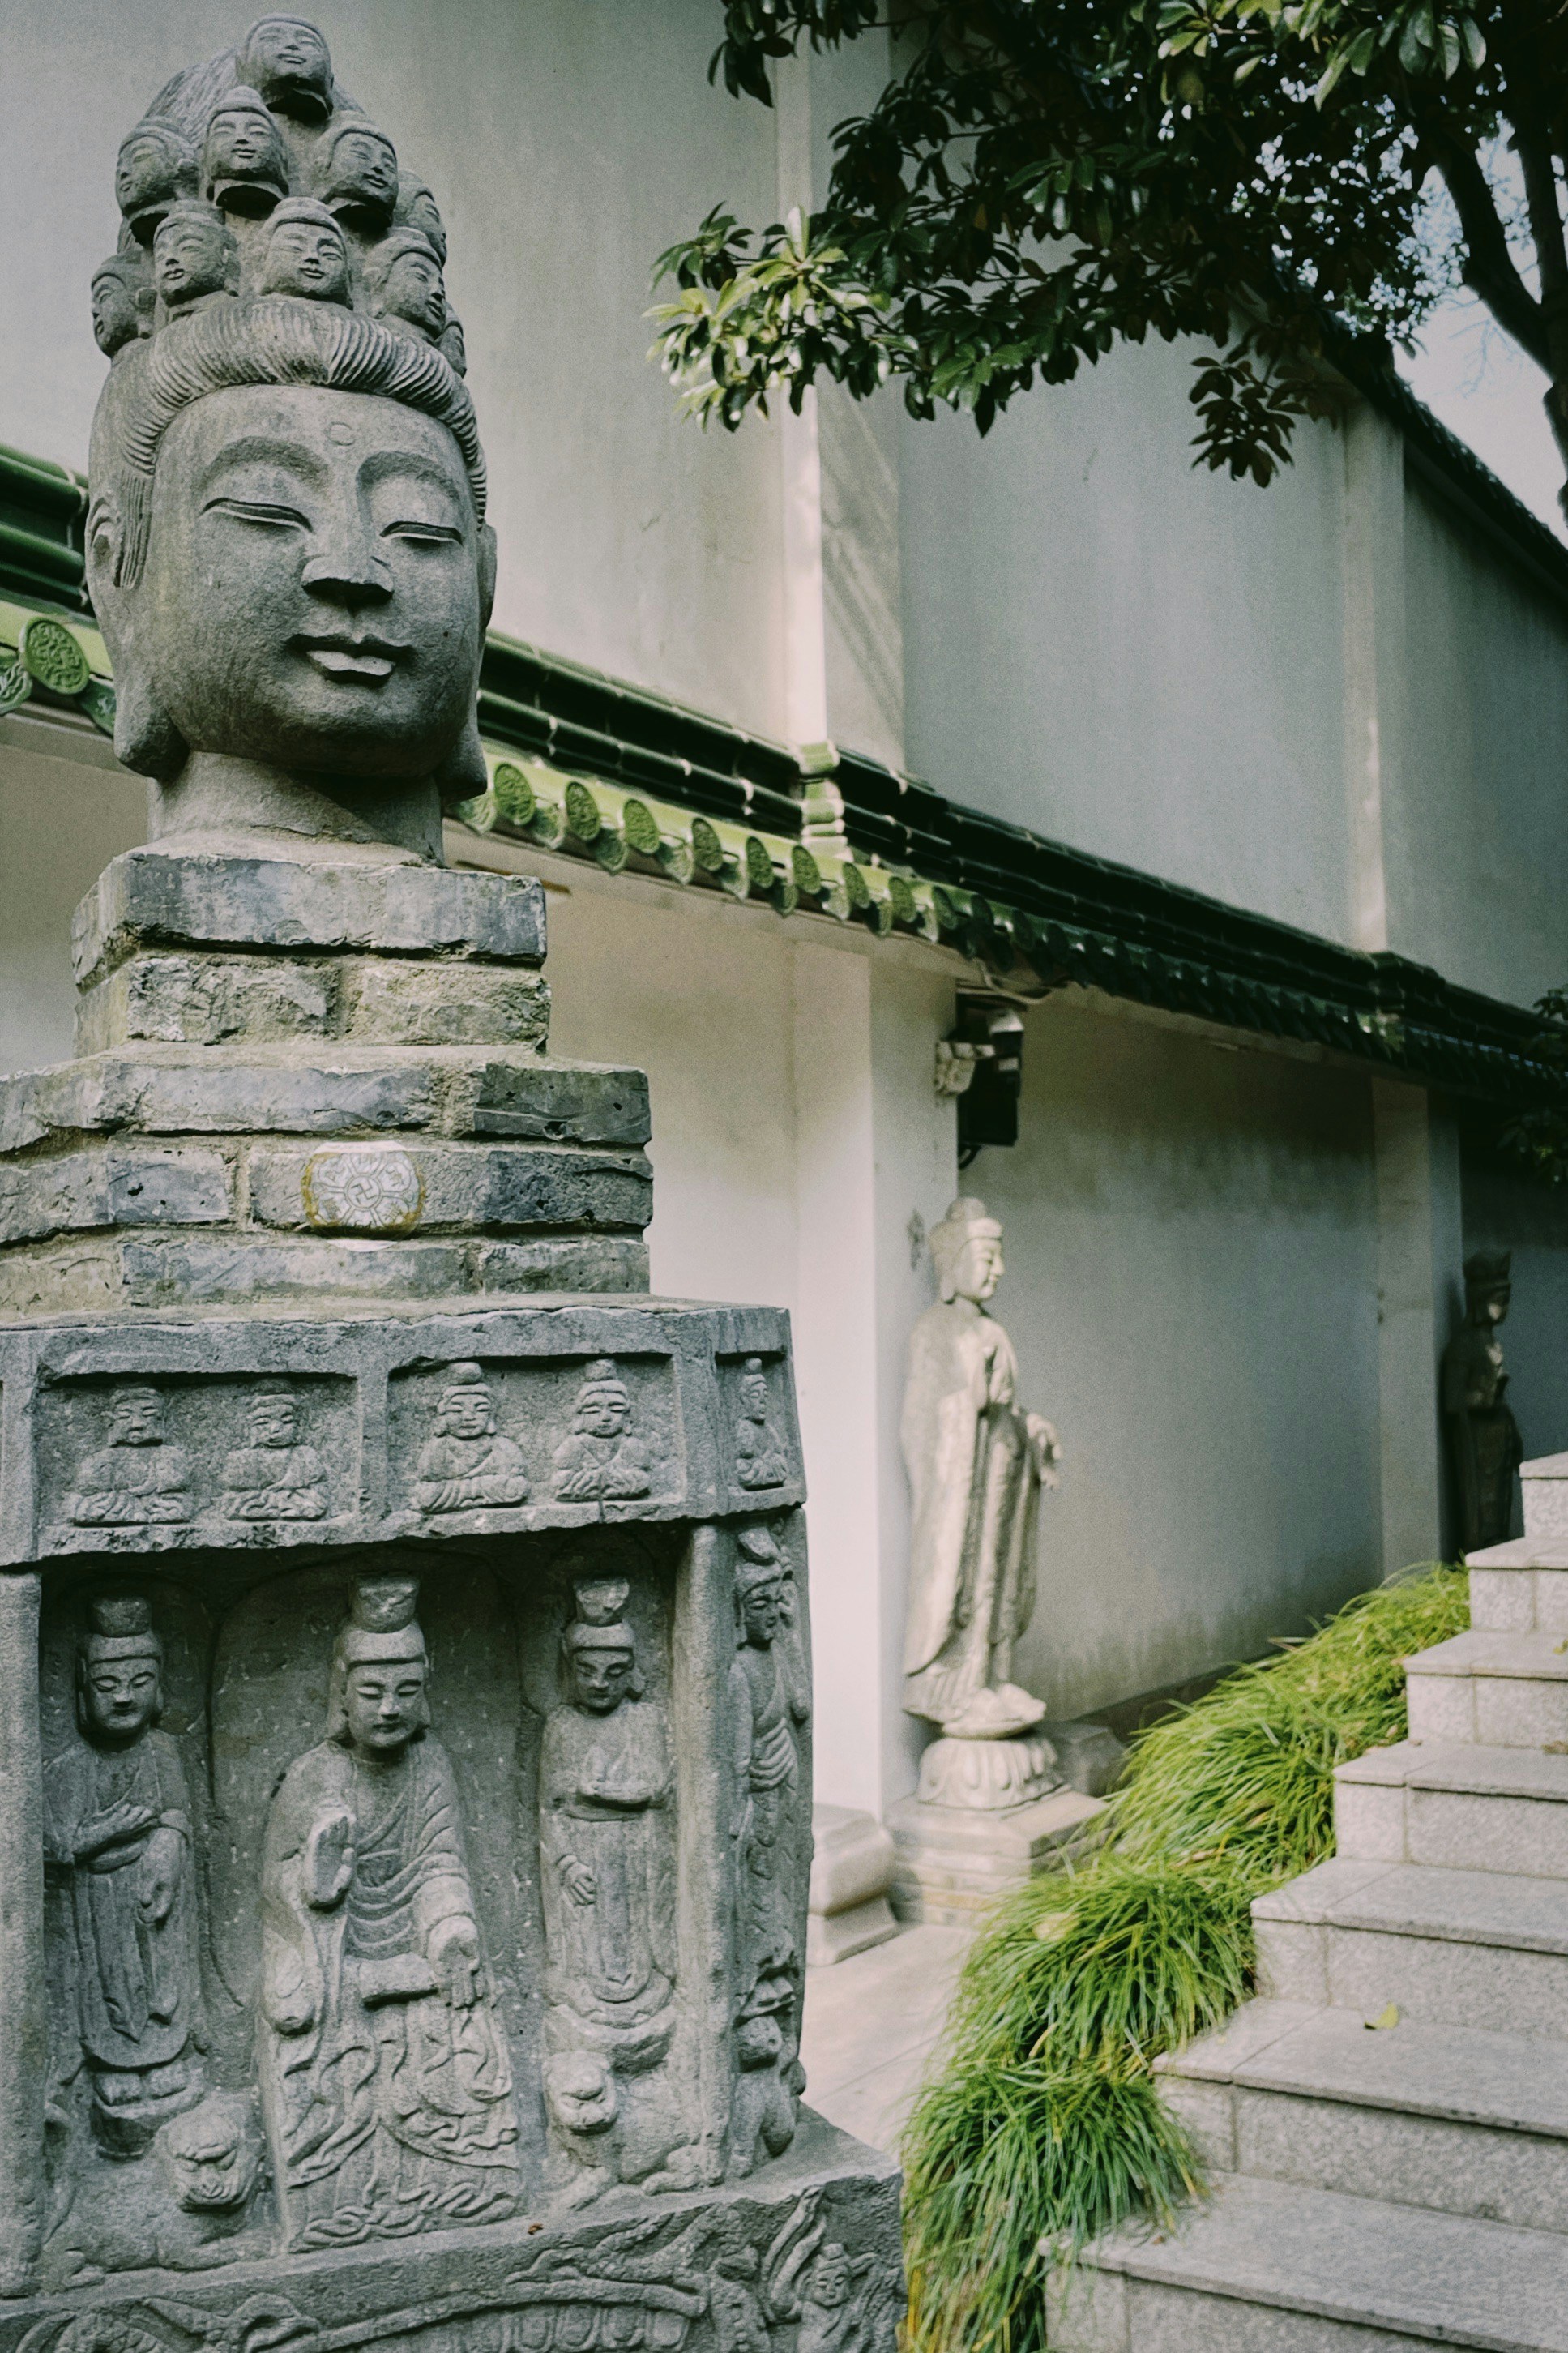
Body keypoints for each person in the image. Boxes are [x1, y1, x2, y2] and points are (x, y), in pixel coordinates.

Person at [258, 1575, 519, 2248]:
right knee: (316, 2044)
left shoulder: (430, 1767)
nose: (389, 1707)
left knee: (463, 2025)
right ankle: (338, 2203)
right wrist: (314, 1886)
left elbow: (439, 1863)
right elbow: (279, 1886)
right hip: (336, 1968)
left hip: (418, 1956)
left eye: (405, 1690)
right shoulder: (314, 1773)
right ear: (340, 1693)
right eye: (371, 1691)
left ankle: (464, 2190)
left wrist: (451, 1927)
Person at [45, 1594, 202, 2152]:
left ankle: (166, 2060)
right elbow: (57, 1843)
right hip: (98, 1903)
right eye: (108, 1684)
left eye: (139, 1680)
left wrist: (165, 1840)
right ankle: (114, 2070)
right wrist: (104, 1831)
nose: (125, 1694)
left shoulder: (162, 1751)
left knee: (163, 1981)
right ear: (84, 1691)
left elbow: (179, 1811)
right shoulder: (71, 1766)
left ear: (158, 1687)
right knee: (110, 1985)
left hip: (155, 1896)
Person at [901, 1199, 1060, 1735]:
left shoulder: (988, 1326)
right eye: (987, 1256)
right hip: (965, 1481)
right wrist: (972, 1391)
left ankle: (994, 1676)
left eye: (999, 1257)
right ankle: (962, 1687)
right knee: (971, 1578)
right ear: (953, 1262)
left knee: (1002, 1573)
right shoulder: (936, 1328)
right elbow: (926, 1417)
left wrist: (1029, 1425)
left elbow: (1005, 1406)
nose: (998, 1269)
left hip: (1001, 1472)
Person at [412, 1361, 529, 1512]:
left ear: (491, 1415)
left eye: (480, 1410)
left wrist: (460, 1488)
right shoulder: (437, 1448)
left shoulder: (504, 1446)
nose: (468, 1417)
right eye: (456, 1411)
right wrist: (485, 1486)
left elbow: (518, 1487)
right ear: (443, 1415)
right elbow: (426, 1494)